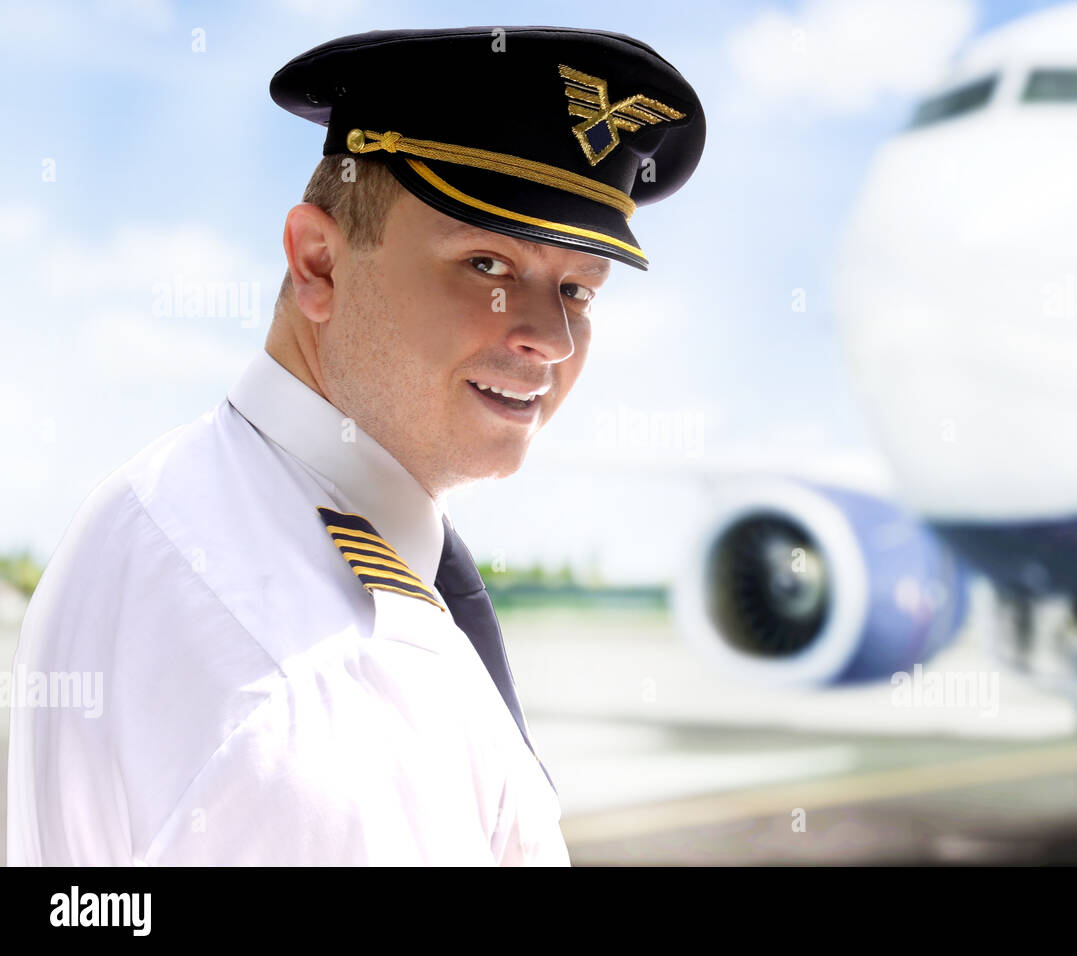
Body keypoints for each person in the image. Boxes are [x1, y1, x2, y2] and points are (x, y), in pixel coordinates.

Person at [6, 26, 705, 866]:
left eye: (578, 290)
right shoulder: (313, 694)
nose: (549, 337)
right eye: (487, 265)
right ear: (319, 263)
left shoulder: (168, 500)